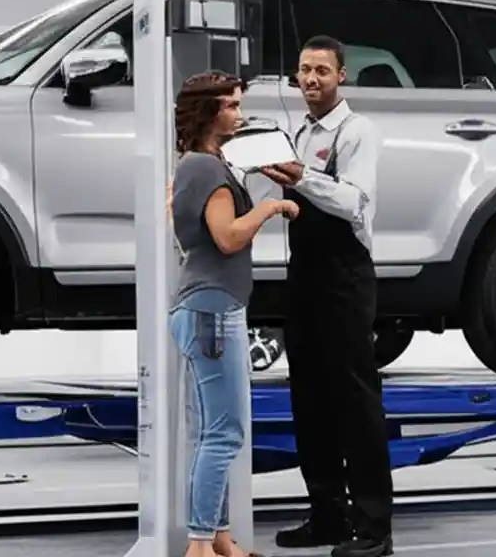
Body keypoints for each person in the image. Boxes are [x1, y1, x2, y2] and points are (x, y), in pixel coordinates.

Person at [261, 36, 395, 557]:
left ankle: (374, 529)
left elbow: (355, 202)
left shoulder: (357, 132)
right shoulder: (298, 132)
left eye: (321, 70)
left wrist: (302, 177)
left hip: (345, 277)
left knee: (356, 405)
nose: (311, 79)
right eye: (303, 71)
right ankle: (327, 517)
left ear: (342, 76)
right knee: (310, 401)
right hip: (305, 276)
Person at [169, 70, 300, 557]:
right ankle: (200, 546)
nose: (239, 114)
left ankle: (219, 538)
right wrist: (271, 208)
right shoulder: (204, 168)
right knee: (223, 434)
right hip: (212, 313)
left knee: (214, 431)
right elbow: (226, 237)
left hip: (208, 309)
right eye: (231, 106)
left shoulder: (202, 164)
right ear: (209, 112)